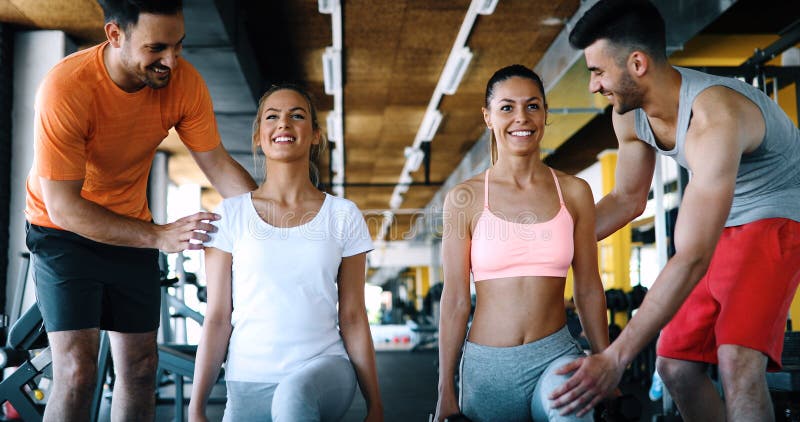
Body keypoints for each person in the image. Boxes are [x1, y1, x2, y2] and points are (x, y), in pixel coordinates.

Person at [550, 0, 800, 420]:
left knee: (738, 363)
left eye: (597, 71)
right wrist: (551, 237)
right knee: (675, 366)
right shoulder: (628, 118)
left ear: (636, 63)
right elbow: (626, 200)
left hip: (777, 215)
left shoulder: (713, 118)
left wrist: (616, 358)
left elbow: (692, 256)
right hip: (723, 223)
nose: (593, 85)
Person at [23, 0, 257, 420]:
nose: (171, 60)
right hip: (63, 232)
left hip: (130, 228)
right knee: (77, 372)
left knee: (141, 368)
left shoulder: (183, 82)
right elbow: (63, 207)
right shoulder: (67, 87)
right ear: (115, 35)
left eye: (179, 45)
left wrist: (277, 223)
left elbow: (219, 166)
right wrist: (158, 236)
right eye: (157, 48)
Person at [188, 83, 384, 422]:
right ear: (258, 136)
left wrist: (375, 406)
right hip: (247, 378)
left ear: (315, 136)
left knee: (293, 401)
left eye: (297, 115)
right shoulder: (230, 215)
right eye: (272, 117)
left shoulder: (343, 215)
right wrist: (197, 407)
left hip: (323, 368)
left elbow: (352, 315)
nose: (283, 124)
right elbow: (218, 316)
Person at [433, 64, 610, 422]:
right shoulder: (465, 198)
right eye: (507, 107)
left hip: (555, 354)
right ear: (488, 117)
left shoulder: (574, 192)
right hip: (488, 368)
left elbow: (589, 288)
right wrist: (445, 390)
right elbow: (454, 300)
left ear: (545, 113)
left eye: (532, 106)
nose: (521, 118)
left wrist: (607, 361)